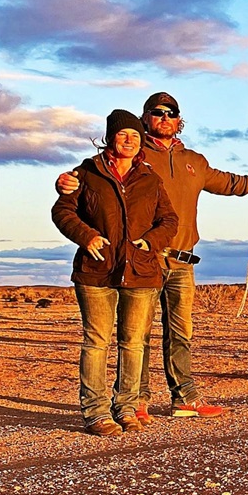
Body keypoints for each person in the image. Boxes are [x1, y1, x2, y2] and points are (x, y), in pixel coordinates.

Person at [57, 93, 248, 421]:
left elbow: (233, 183)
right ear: (144, 118)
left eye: (171, 113)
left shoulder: (195, 162)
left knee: (181, 332)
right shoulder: (132, 157)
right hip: (141, 261)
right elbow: (80, 183)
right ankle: (137, 401)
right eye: (157, 112)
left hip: (181, 261)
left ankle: (184, 398)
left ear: (179, 120)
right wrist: (63, 181)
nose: (165, 117)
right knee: (137, 334)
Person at [52, 110, 179, 436]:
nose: (129, 140)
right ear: (110, 138)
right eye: (123, 134)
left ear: (140, 143)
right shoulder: (86, 174)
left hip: (140, 271)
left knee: (133, 342)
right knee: (96, 341)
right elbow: (62, 210)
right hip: (96, 272)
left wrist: (150, 242)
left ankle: (125, 408)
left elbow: (169, 221)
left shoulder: (150, 179)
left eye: (135, 136)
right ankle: (96, 413)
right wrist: (86, 235)